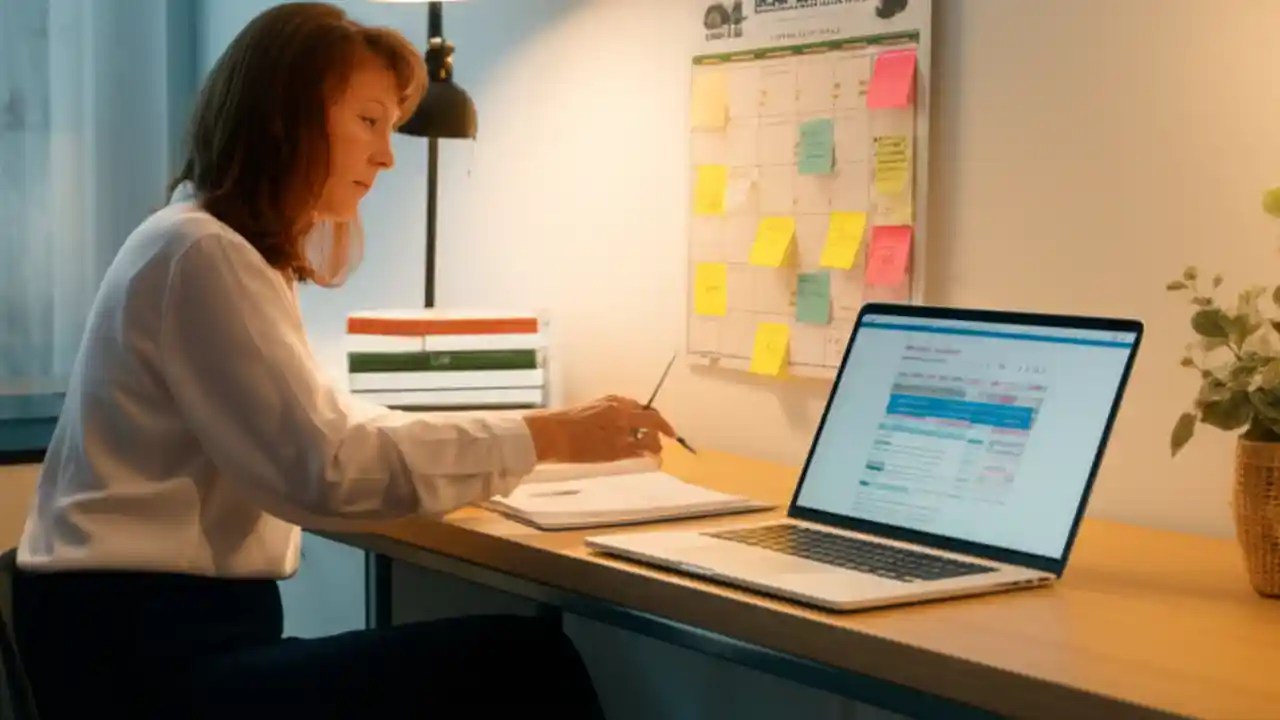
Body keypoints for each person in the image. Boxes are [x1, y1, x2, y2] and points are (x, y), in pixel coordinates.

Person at [10, 4, 674, 718]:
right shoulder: (204, 254)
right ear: (284, 116)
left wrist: (525, 436)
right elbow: (324, 467)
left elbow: (327, 421)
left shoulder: (208, 244)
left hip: (138, 634)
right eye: (368, 122)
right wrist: (546, 438)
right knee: (524, 665)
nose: (387, 155)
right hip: (148, 660)